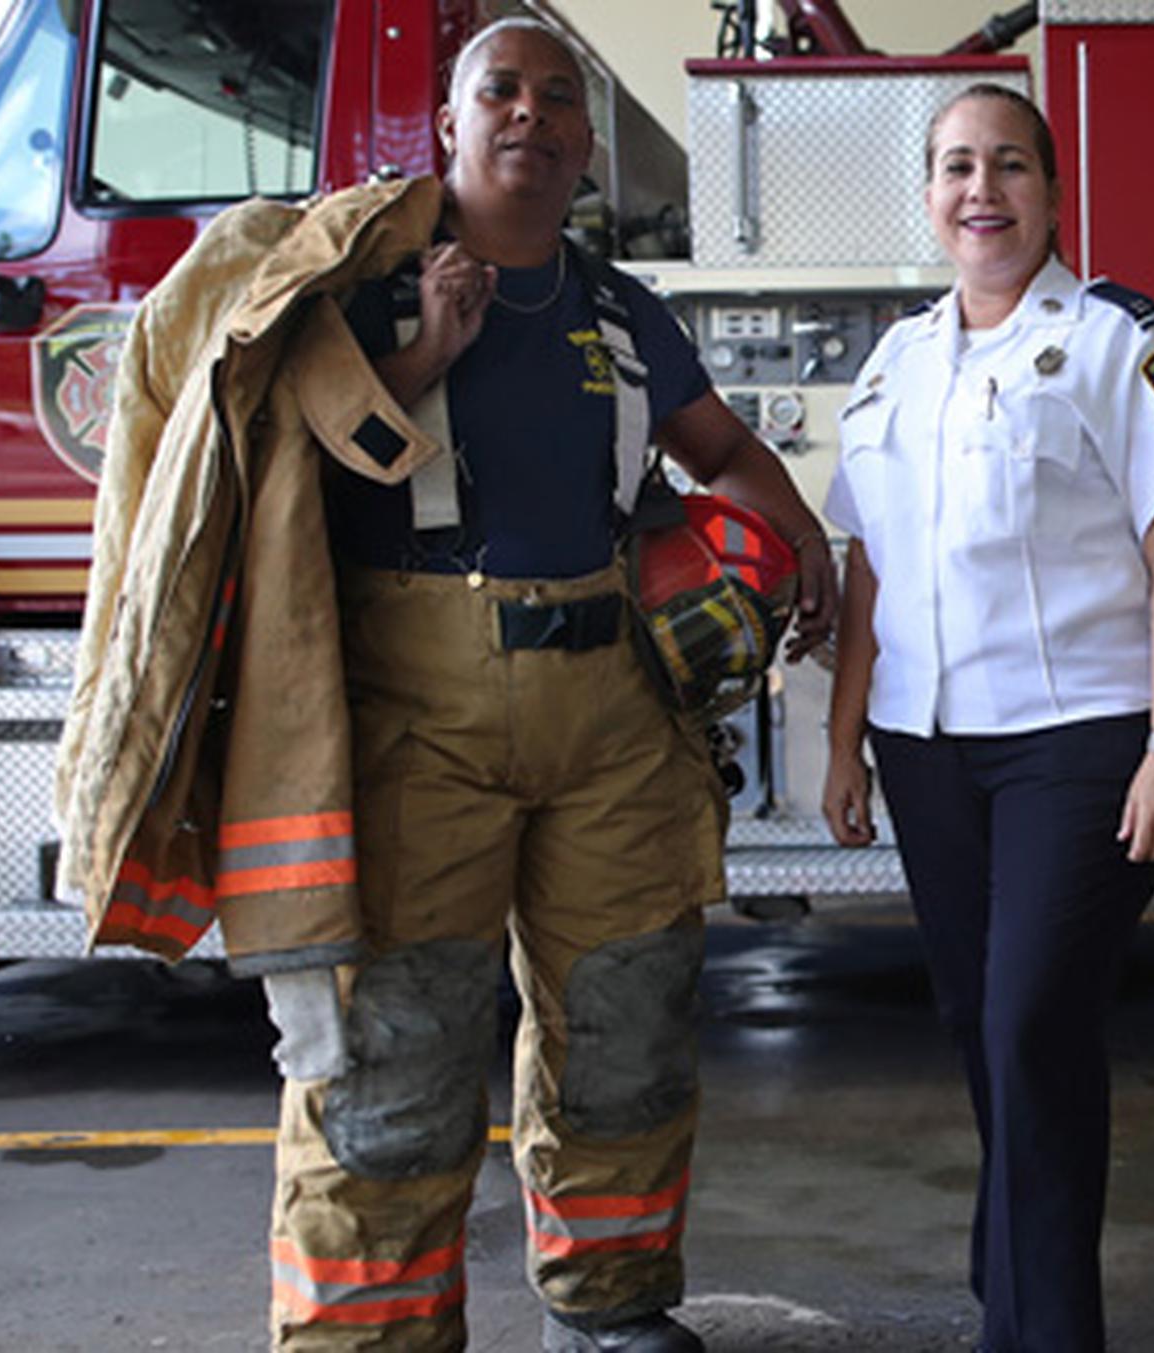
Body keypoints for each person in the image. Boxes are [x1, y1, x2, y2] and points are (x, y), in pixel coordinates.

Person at [262, 18, 831, 1352]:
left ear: (583, 146)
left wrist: (802, 552)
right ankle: (372, 1335)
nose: (531, 113)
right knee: (401, 1037)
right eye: (499, 91)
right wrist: (425, 358)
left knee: (629, 1016)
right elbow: (292, 488)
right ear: (449, 129)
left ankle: (614, 1301)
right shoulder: (361, 294)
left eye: (557, 98)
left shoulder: (625, 317)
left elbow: (729, 452)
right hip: (418, 720)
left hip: (616, 716)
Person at [818, 84, 1154, 1353]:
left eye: (1007, 167)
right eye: (955, 168)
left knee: (1029, 1022)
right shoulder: (896, 359)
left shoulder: (1112, 338)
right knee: (980, 1028)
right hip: (927, 745)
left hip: (1080, 741)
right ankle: (1013, 1284)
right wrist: (841, 738)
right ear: (930, 198)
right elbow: (867, 563)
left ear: (1053, 192)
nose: (980, 190)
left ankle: (1043, 1331)